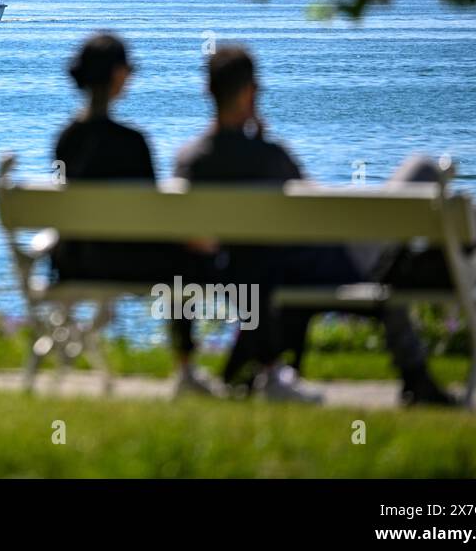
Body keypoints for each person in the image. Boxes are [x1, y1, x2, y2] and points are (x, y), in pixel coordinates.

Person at [174, 45, 455, 405]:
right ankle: (418, 377)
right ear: (250, 93)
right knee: (423, 170)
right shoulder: (270, 157)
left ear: (208, 92)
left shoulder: (190, 161)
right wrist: (260, 139)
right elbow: (319, 205)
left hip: (256, 269)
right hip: (337, 263)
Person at [53, 33, 220, 397]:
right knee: (192, 263)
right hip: (132, 264)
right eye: (128, 70)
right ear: (116, 75)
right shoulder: (132, 142)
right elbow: (152, 221)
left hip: (80, 261)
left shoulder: (66, 139)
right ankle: (186, 369)